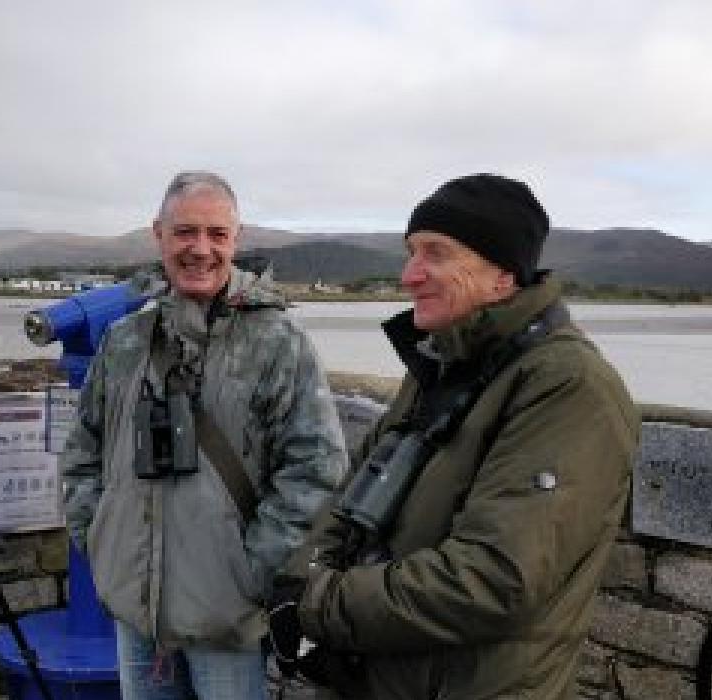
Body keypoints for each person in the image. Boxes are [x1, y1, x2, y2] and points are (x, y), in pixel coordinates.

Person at [269, 173, 640, 699]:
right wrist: (300, 576)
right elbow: (353, 495)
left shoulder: (570, 387)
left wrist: (318, 603)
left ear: (503, 276)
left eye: (435, 254)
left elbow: (494, 579)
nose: (409, 275)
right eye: (410, 253)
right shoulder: (442, 362)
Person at [61, 170, 349, 699]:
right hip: (135, 605)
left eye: (217, 234)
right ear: (159, 235)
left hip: (227, 616)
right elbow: (83, 450)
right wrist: (102, 543)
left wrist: (252, 573)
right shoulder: (126, 340)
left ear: (235, 240)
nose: (201, 249)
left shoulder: (278, 341)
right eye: (186, 232)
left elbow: (315, 470)